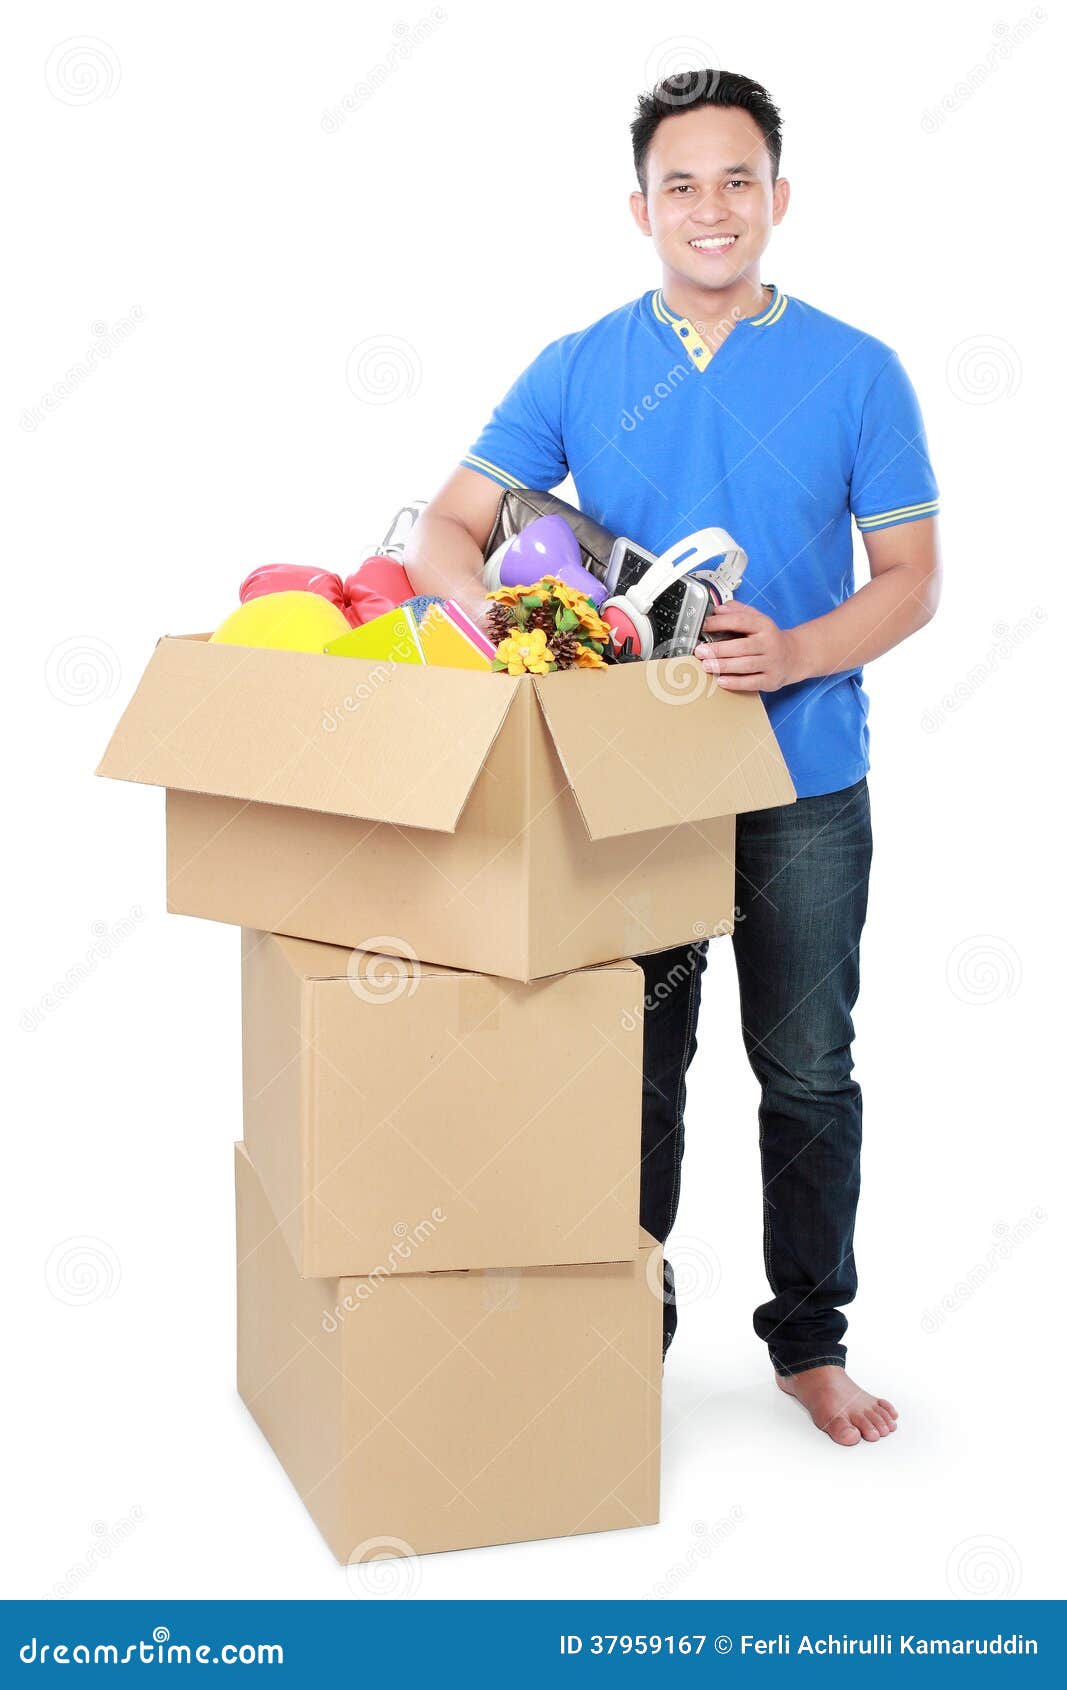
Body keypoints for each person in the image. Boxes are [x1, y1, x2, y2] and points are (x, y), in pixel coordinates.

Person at [405, 69, 940, 1448]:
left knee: (808, 1066)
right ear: (639, 207)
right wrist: (508, 621)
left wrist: (805, 648)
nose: (712, 208)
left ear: (779, 198)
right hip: (627, 787)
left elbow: (913, 578)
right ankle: (619, 1341)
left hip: (803, 778)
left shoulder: (858, 367)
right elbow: (446, 528)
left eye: (737, 180)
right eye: (682, 184)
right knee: (626, 1069)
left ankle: (809, 1345)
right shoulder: (581, 361)